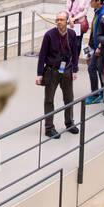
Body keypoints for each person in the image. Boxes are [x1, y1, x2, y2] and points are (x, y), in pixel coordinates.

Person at [36, 10, 81, 138]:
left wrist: (75, 69)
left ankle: (69, 123)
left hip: (66, 70)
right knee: (49, 100)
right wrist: (39, 73)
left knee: (69, 98)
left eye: (61, 19)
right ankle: (49, 127)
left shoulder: (71, 34)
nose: (59, 22)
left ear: (67, 21)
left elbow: (75, 53)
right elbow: (42, 55)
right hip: (51, 71)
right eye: (57, 19)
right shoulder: (49, 35)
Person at [83, 0, 104, 104]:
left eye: (92, 1)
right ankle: (101, 93)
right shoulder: (97, 11)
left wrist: (99, 47)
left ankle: (97, 94)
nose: (90, 3)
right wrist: (89, 49)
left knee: (94, 68)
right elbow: (94, 31)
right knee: (97, 69)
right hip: (94, 46)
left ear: (98, 1)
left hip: (101, 48)